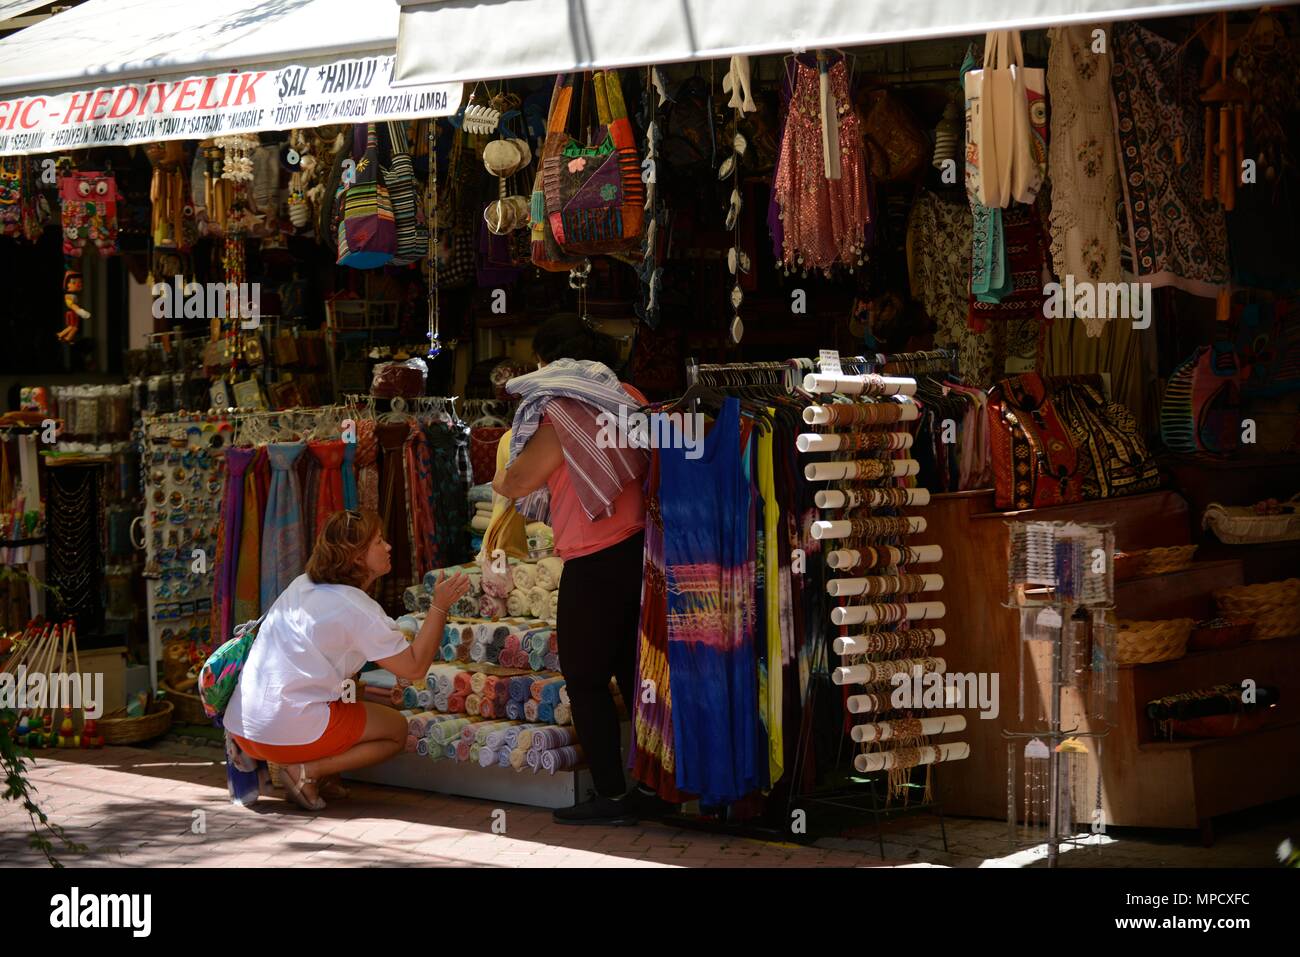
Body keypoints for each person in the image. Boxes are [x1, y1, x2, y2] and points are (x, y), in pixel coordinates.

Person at [493, 314, 660, 826]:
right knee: (637, 673)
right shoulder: (627, 394)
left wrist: (508, 456)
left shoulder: (563, 411)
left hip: (593, 557)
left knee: (586, 678)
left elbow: (514, 482)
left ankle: (611, 797)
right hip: (641, 552)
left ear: (552, 364)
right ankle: (655, 787)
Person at [223, 509, 470, 811]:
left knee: (348, 691)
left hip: (243, 727)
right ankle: (305, 772)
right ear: (356, 557)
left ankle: (318, 775)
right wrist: (439, 607)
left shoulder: (301, 584)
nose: (388, 546)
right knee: (396, 730)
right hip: (281, 732)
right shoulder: (357, 609)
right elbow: (415, 667)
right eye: (379, 542)